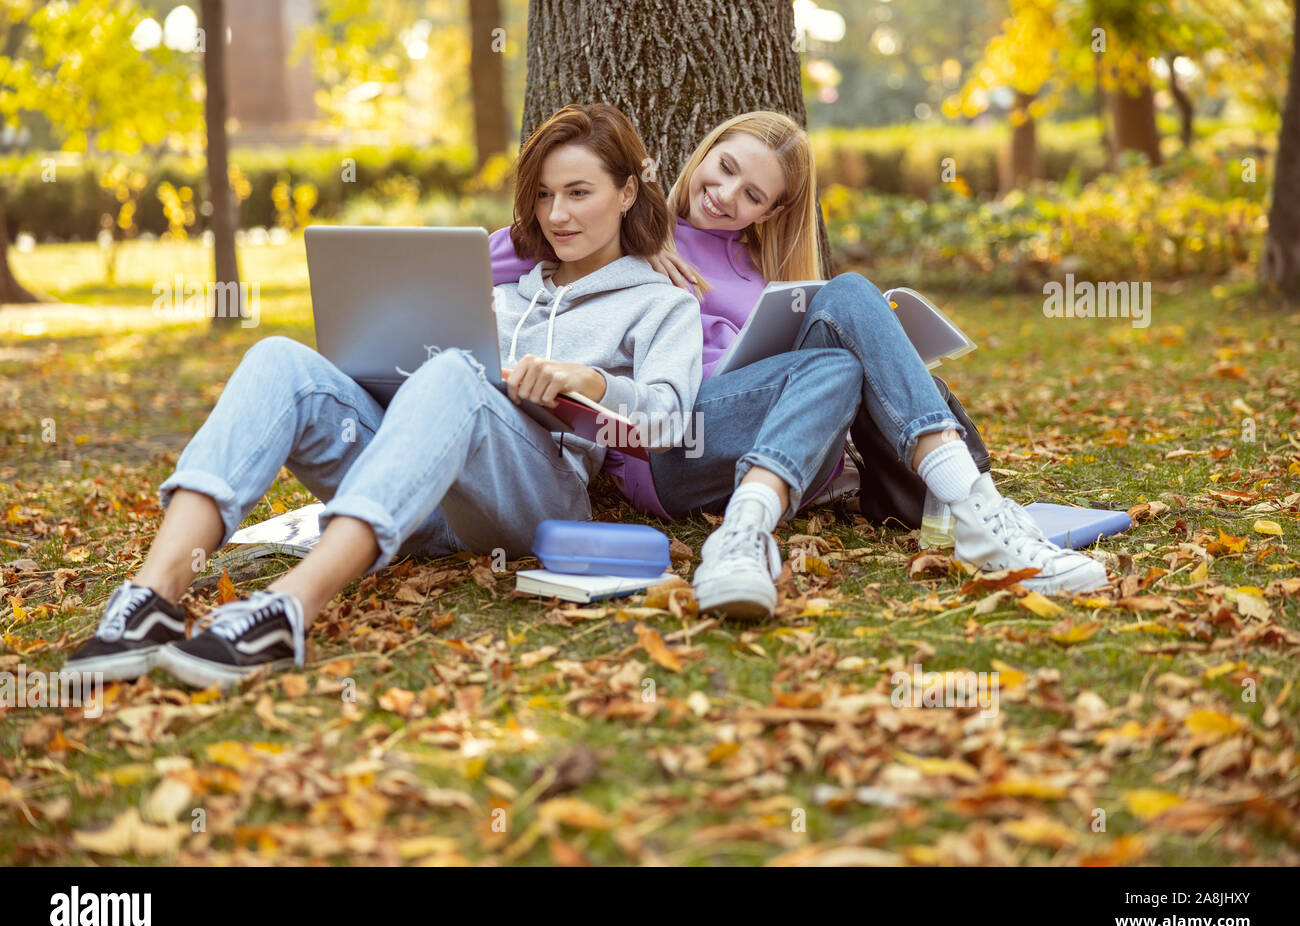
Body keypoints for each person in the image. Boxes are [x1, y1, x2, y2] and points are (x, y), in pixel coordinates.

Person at [63, 103, 705, 687]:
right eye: (542, 195)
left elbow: (671, 423)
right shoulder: (503, 292)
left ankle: (291, 606)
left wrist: (589, 382)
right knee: (279, 359)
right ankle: (153, 594)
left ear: (627, 191)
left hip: (530, 496)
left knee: (456, 372)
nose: (556, 214)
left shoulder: (659, 302)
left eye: (578, 193)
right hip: (414, 496)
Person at [491, 111, 1108, 617]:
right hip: (668, 444)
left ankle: (759, 531)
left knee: (840, 348)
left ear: (774, 211)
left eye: (753, 194)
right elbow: (495, 256)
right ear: (704, 152)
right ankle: (977, 510)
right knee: (849, 295)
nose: (726, 194)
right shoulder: (618, 228)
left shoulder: (768, 280)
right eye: (724, 167)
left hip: (760, 446)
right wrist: (642, 245)